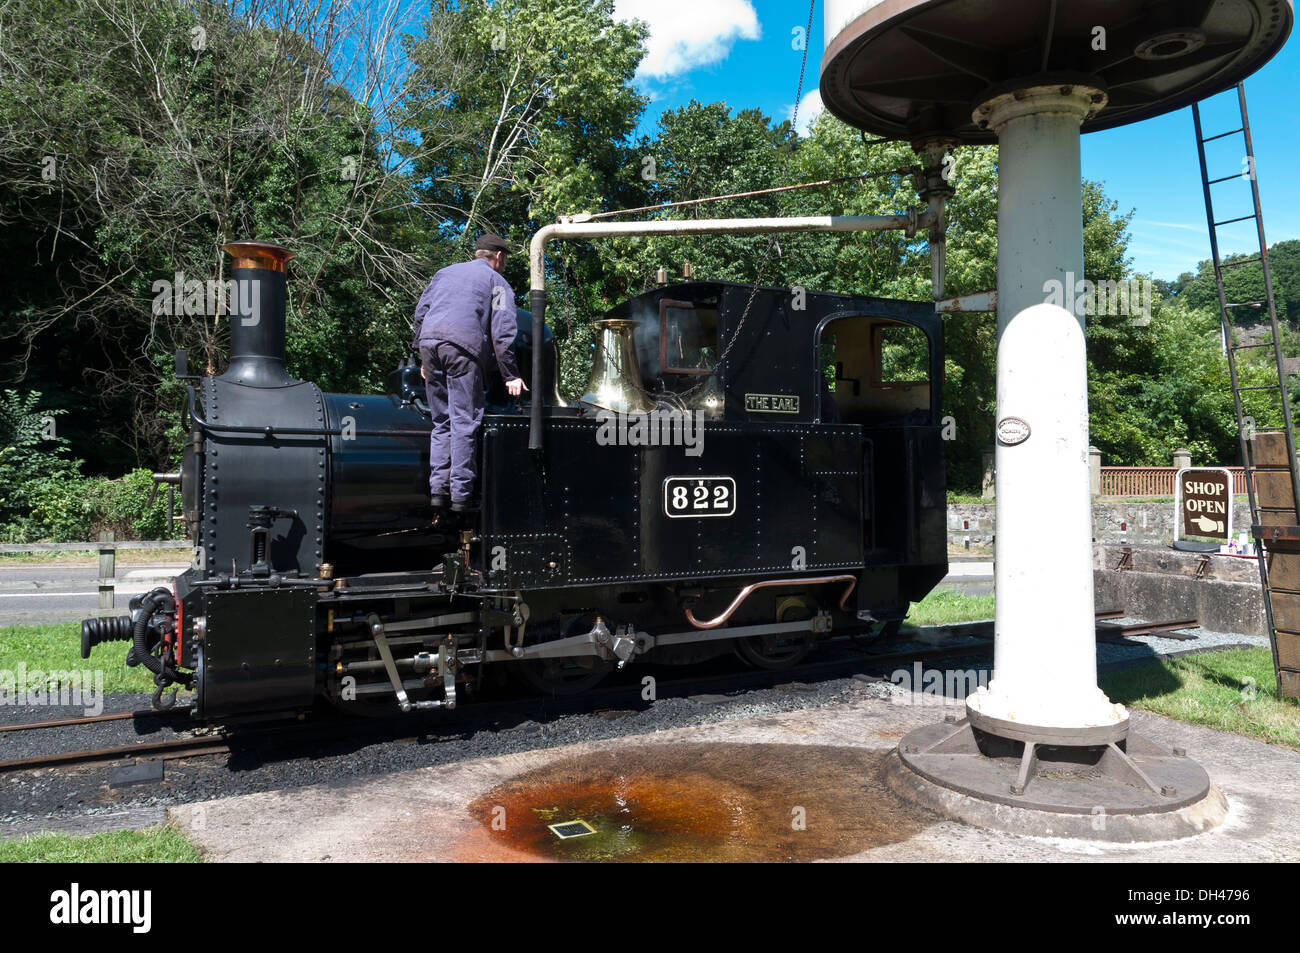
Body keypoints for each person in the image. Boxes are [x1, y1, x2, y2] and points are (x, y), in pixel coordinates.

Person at [412, 233, 528, 514]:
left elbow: (421, 313)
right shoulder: (497, 283)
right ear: (498, 257)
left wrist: (423, 354)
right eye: (505, 260)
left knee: (441, 421)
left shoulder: (443, 273)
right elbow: (503, 332)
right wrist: (510, 375)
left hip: (430, 343)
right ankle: (461, 496)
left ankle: (438, 490)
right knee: (464, 420)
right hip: (462, 349)